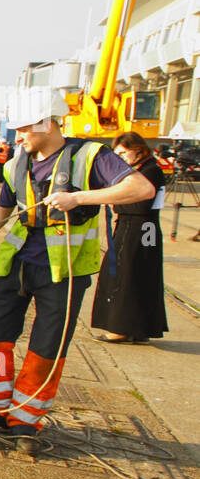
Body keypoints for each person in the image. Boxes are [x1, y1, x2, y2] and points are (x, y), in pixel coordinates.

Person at [0, 89, 154, 439]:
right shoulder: (14, 164)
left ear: (49, 124)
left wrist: (78, 197)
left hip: (63, 268)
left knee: (47, 346)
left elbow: (141, 188)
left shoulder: (91, 156)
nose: (17, 137)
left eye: (24, 129)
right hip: (14, 264)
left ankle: (25, 418)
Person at [90, 132, 168, 343]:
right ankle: (137, 328)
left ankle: (121, 328)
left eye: (124, 153)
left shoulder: (149, 171)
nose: (121, 157)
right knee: (136, 275)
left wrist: (115, 202)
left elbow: (143, 204)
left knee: (126, 276)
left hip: (138, 228)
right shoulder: (144, 169)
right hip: (141, 228)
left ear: (137, 149)